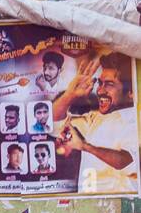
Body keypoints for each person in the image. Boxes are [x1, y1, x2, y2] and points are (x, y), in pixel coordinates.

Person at [53, 52, 139, 194]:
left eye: (109, 84)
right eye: (100, 83)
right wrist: (70, 94)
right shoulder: (96, 118)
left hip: (120, 206)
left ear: (131, 92)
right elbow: (53, 122)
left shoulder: (136, 121)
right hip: (87, 205)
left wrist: (85, 147)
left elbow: (125, 161)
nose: (100, 90)